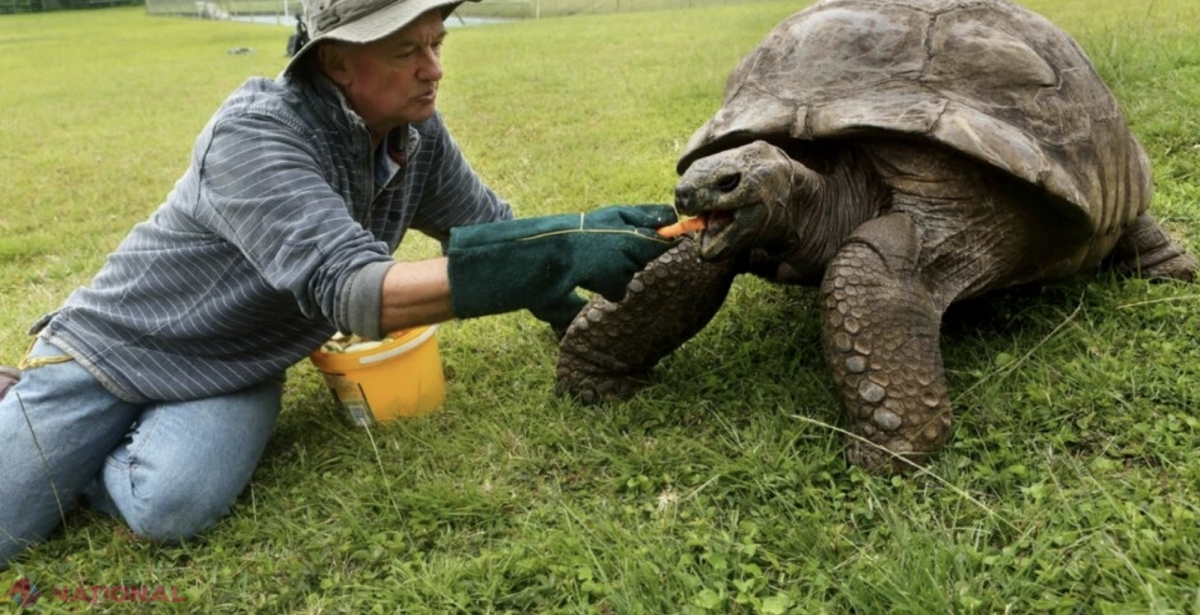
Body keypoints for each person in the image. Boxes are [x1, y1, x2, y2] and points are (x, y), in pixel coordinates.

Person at [0, 0, 677, 569]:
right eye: (406, 49)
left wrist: (590, 317)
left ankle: (87, 460)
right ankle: (25, 396)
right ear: (337, 59)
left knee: (170, 506)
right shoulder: (255, 134)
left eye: (436, 44)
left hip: (237, 362)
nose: (433, 68)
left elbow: (493, 226)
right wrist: (557, 253)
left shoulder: (415, 137)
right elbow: (354, 288)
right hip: (113, 350)